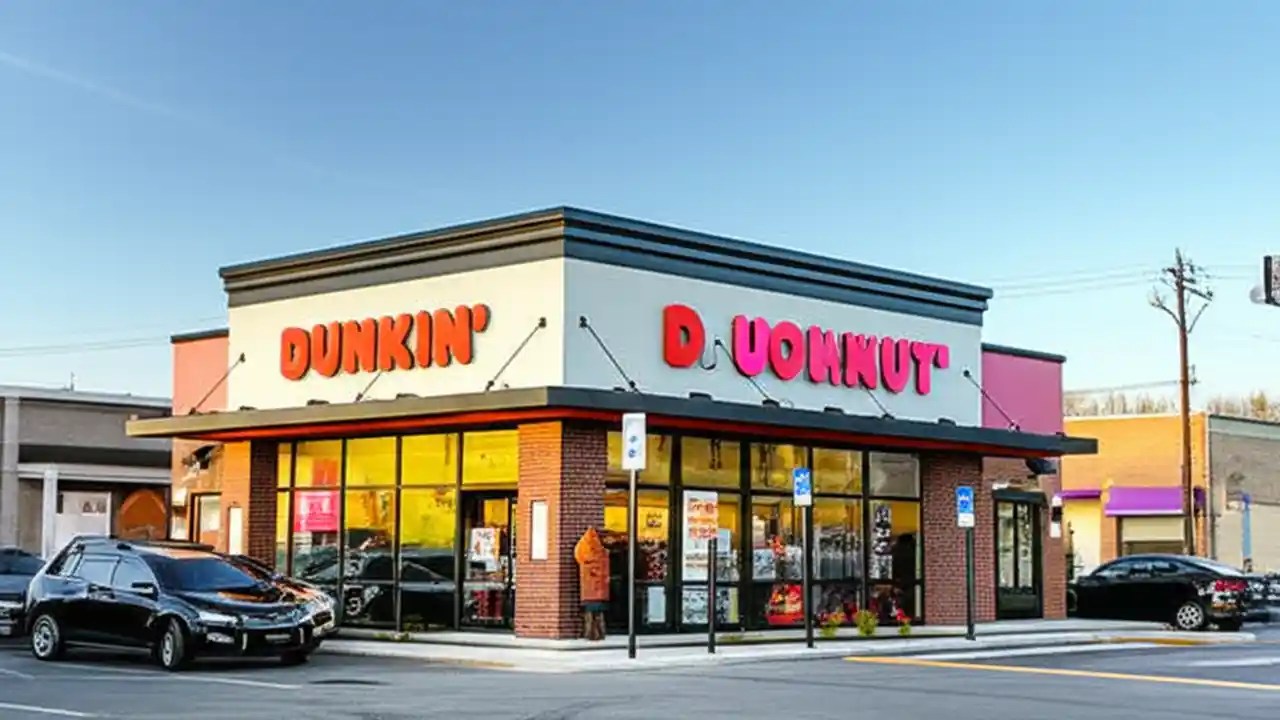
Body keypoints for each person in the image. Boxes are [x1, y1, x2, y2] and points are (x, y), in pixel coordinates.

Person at [574, 527, 610, 641]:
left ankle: (590, 633)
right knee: (598, 614)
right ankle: (599, 633)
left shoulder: (583, 553)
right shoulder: (601, 554)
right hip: (599, 589)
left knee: (589, 614)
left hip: (588, 590)